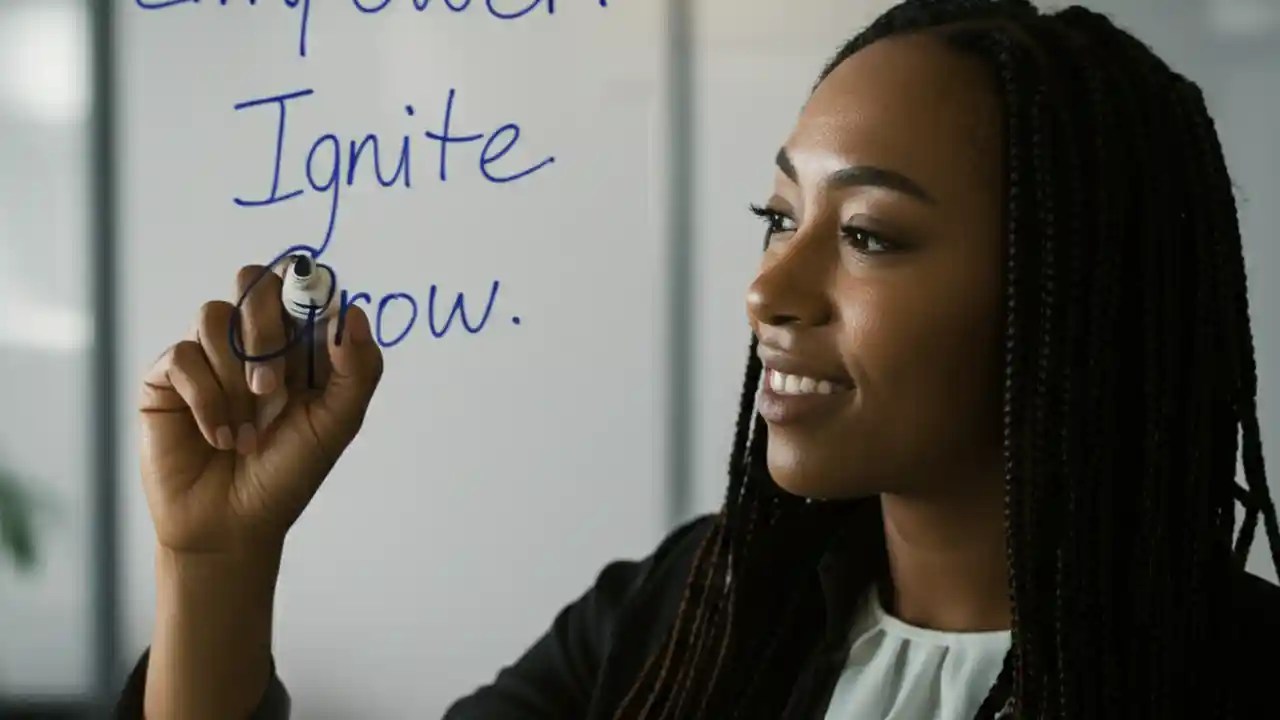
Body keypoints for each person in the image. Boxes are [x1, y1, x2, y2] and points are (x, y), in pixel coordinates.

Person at [114, 0, 1280, 718]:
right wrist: (217, 560)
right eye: (778, 217)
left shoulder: (1235, 680)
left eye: (866, 235)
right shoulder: (690, 617)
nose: (768, 288)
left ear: (1070, 295)